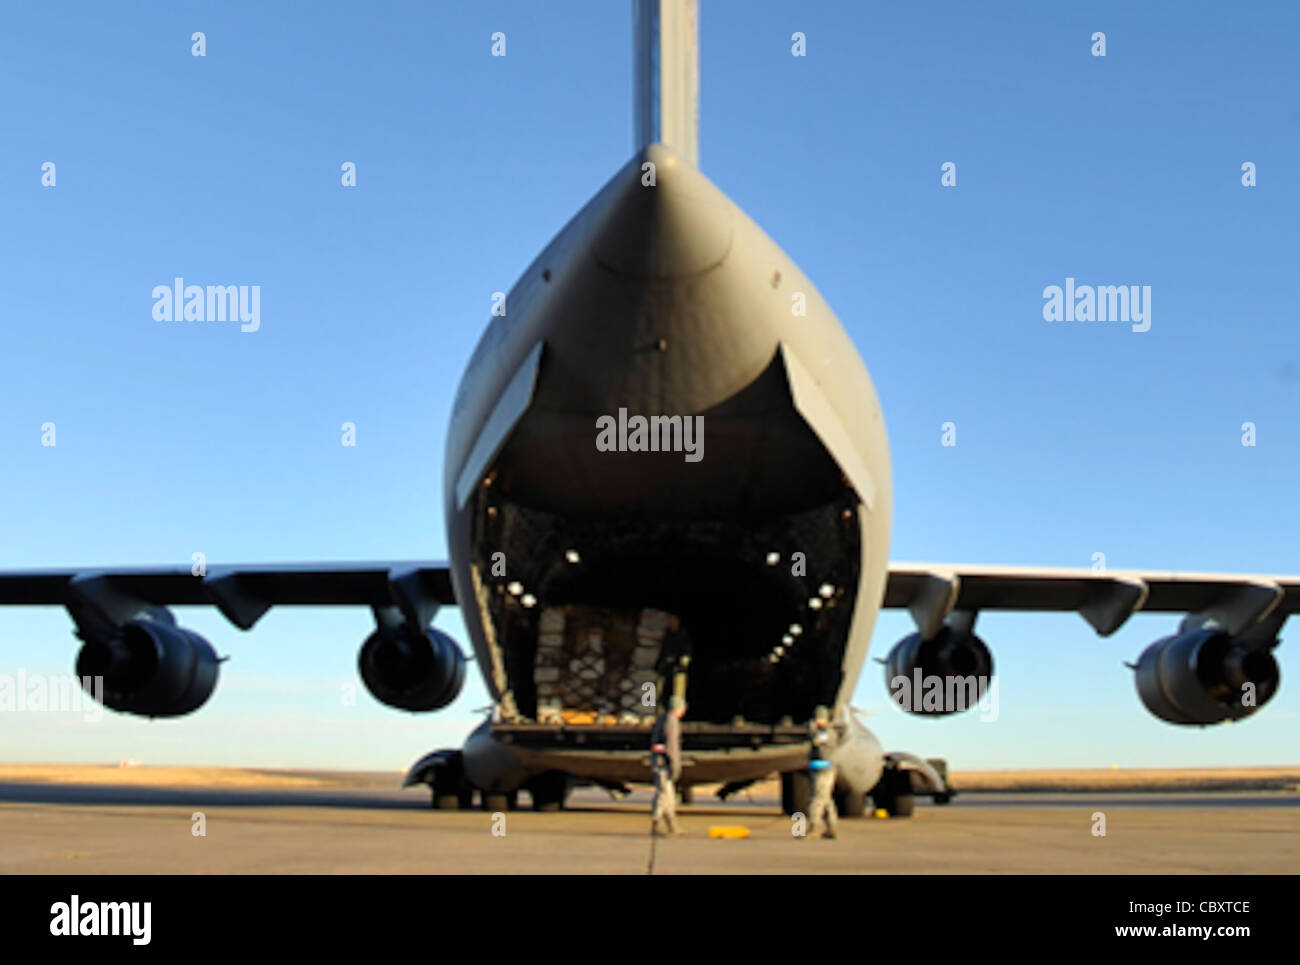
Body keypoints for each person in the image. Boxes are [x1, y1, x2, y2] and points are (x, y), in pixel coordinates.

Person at [649, 695, 686, 836]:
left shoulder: (663, 718)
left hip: (659, 759)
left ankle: (672, 825)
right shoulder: (672, 721)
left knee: (669, 795)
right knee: (664, 793)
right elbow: (672, 746)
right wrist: (676, 766)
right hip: (664, 762)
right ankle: (656, 822)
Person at [806, 704, 838, 839]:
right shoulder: (824, 731)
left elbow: (817, 741)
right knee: (826, 800)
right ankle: (831, 828)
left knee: (817, 799)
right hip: (818, 768)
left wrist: (813, 728)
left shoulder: (827, 732)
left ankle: (813, 826)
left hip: (824, 769)